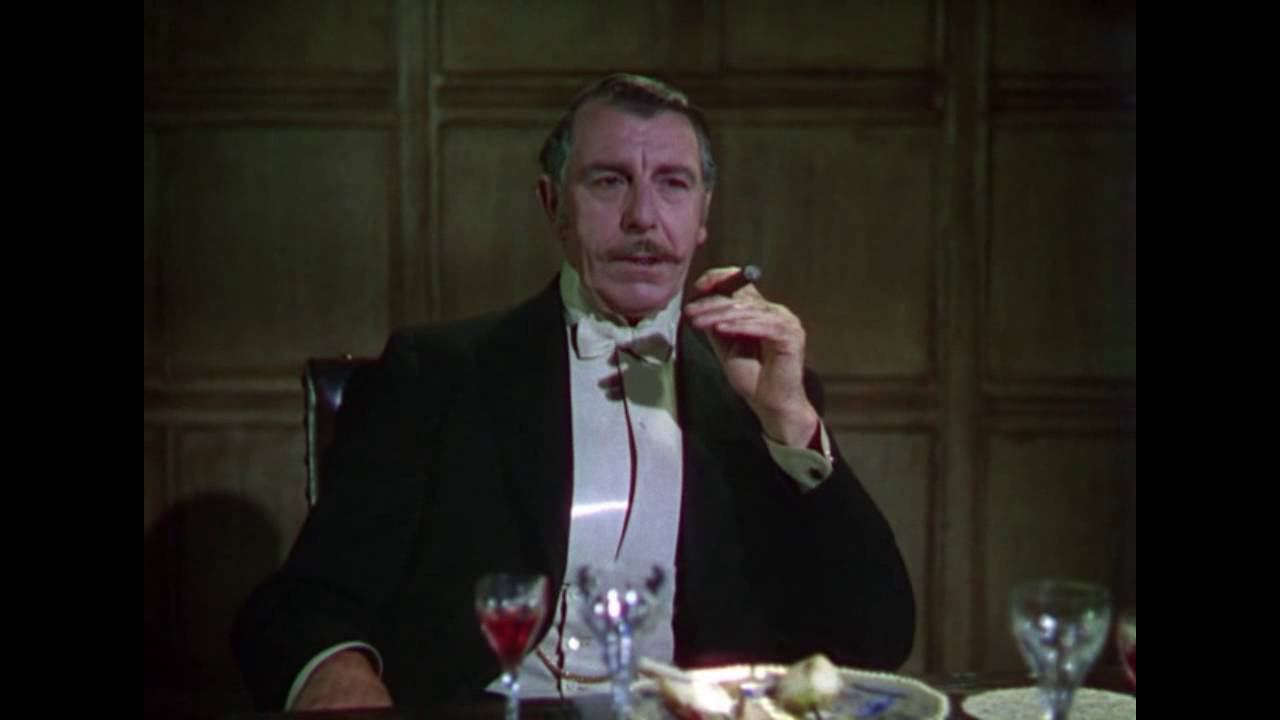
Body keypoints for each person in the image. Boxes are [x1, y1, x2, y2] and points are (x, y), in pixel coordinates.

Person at [231, 73, 914, 712]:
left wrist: (791, 421)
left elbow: (876, 639)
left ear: (703, 213)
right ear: (553, 204)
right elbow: (301, 608)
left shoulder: (761, 394)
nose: (643, 217)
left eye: (673, 184)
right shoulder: (438, 374)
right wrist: (343, 681)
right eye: (609, 182)